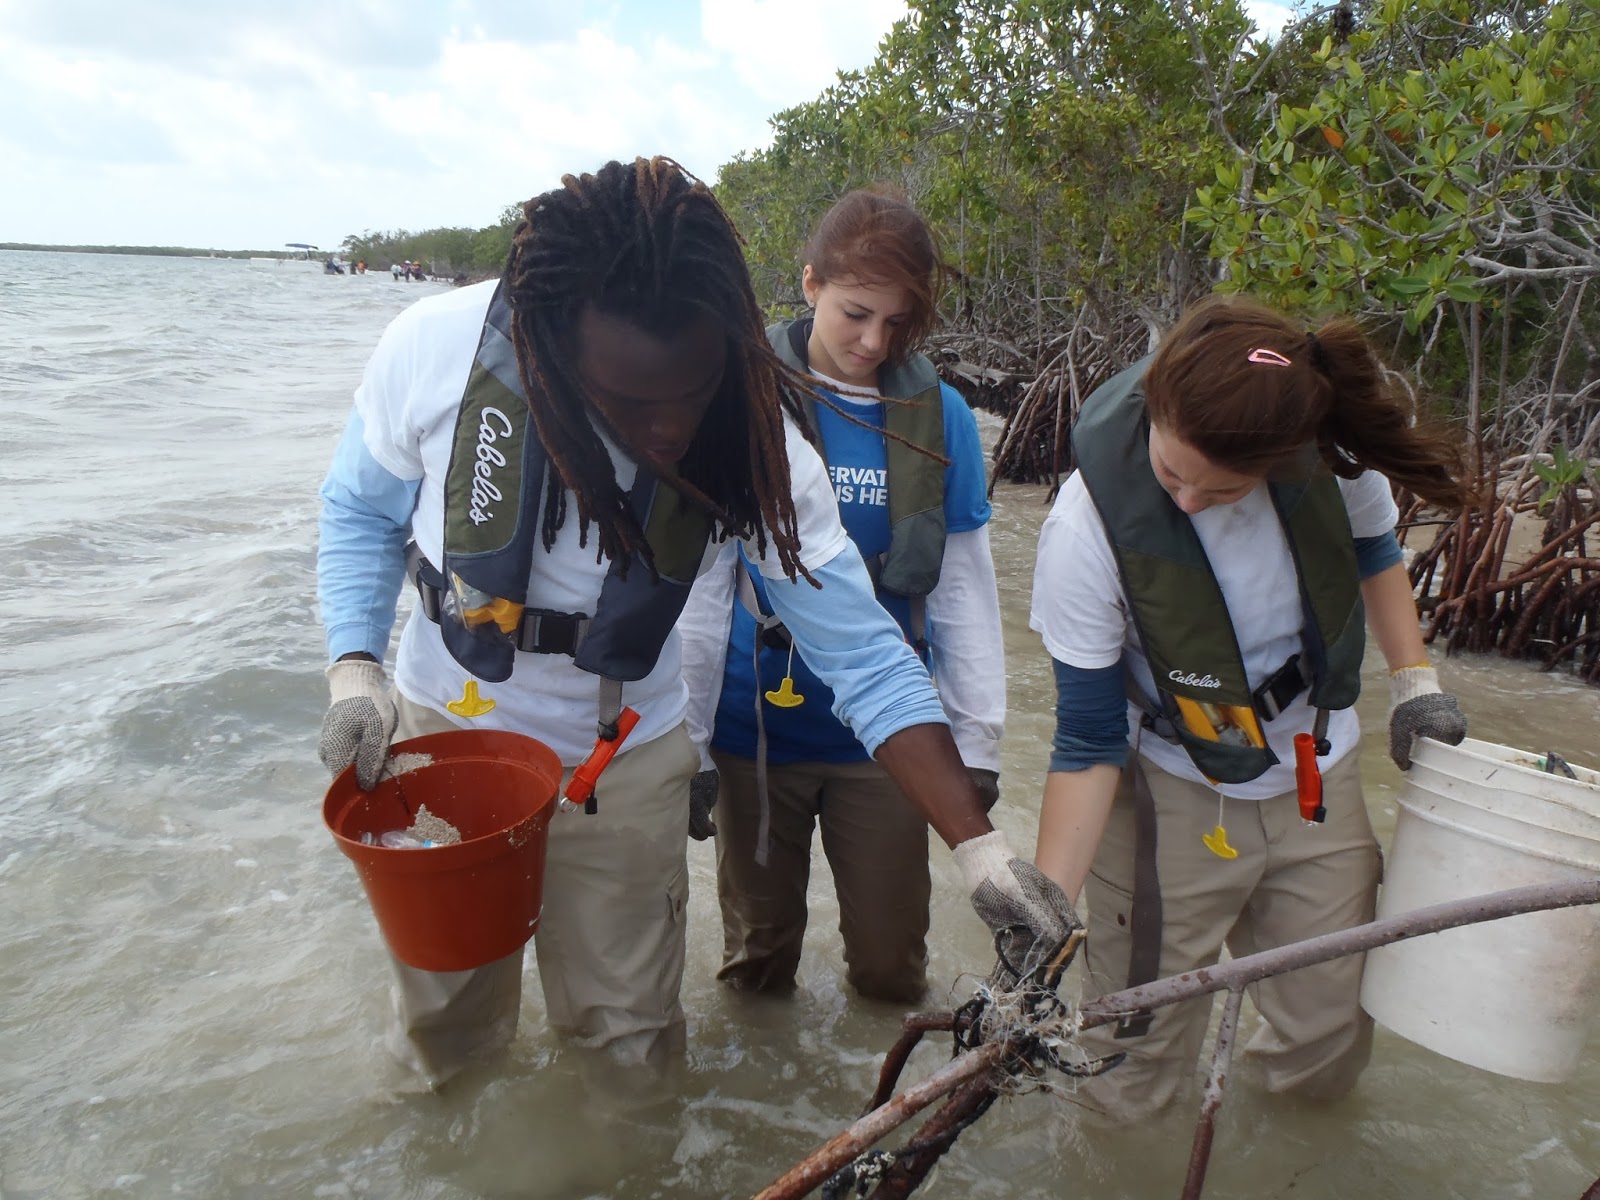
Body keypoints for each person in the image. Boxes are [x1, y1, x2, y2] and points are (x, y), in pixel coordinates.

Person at [315, 156, 1076, 1090]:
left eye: (693, 392)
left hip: (625, 752)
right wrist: (354, 667)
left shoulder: (753, 437)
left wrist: (980, 850)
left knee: (630, 1048)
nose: (671, 432)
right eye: (631, 405)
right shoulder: (436, 347)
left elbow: (865, 654)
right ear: (553, 348)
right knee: (446, 1033)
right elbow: (360, 512)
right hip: (451, 729)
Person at [1028, 295, 1470, 1121]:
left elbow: (1375, 552)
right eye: (1172, 475)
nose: (1190, 502)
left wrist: (1417, 682)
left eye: (1225, 489)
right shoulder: (1084, 530)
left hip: (1317, 774)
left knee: (1328, 1039)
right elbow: (1087, 738)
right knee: (1133, 1062)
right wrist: (1043, 914)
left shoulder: (1331, 462)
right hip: (1172, 786)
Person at [678, 188, 1005, 1004]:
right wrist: (690, 740)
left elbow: (964, 593)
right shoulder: (739, 402)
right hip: (755, 730)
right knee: (756, 966)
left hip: (890, 745)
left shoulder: (944, 418)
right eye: (856, 313)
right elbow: (705, 587)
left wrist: (978, 744)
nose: (874, 342)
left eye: (898, 323)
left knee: (893, 968)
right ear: (810, 282)